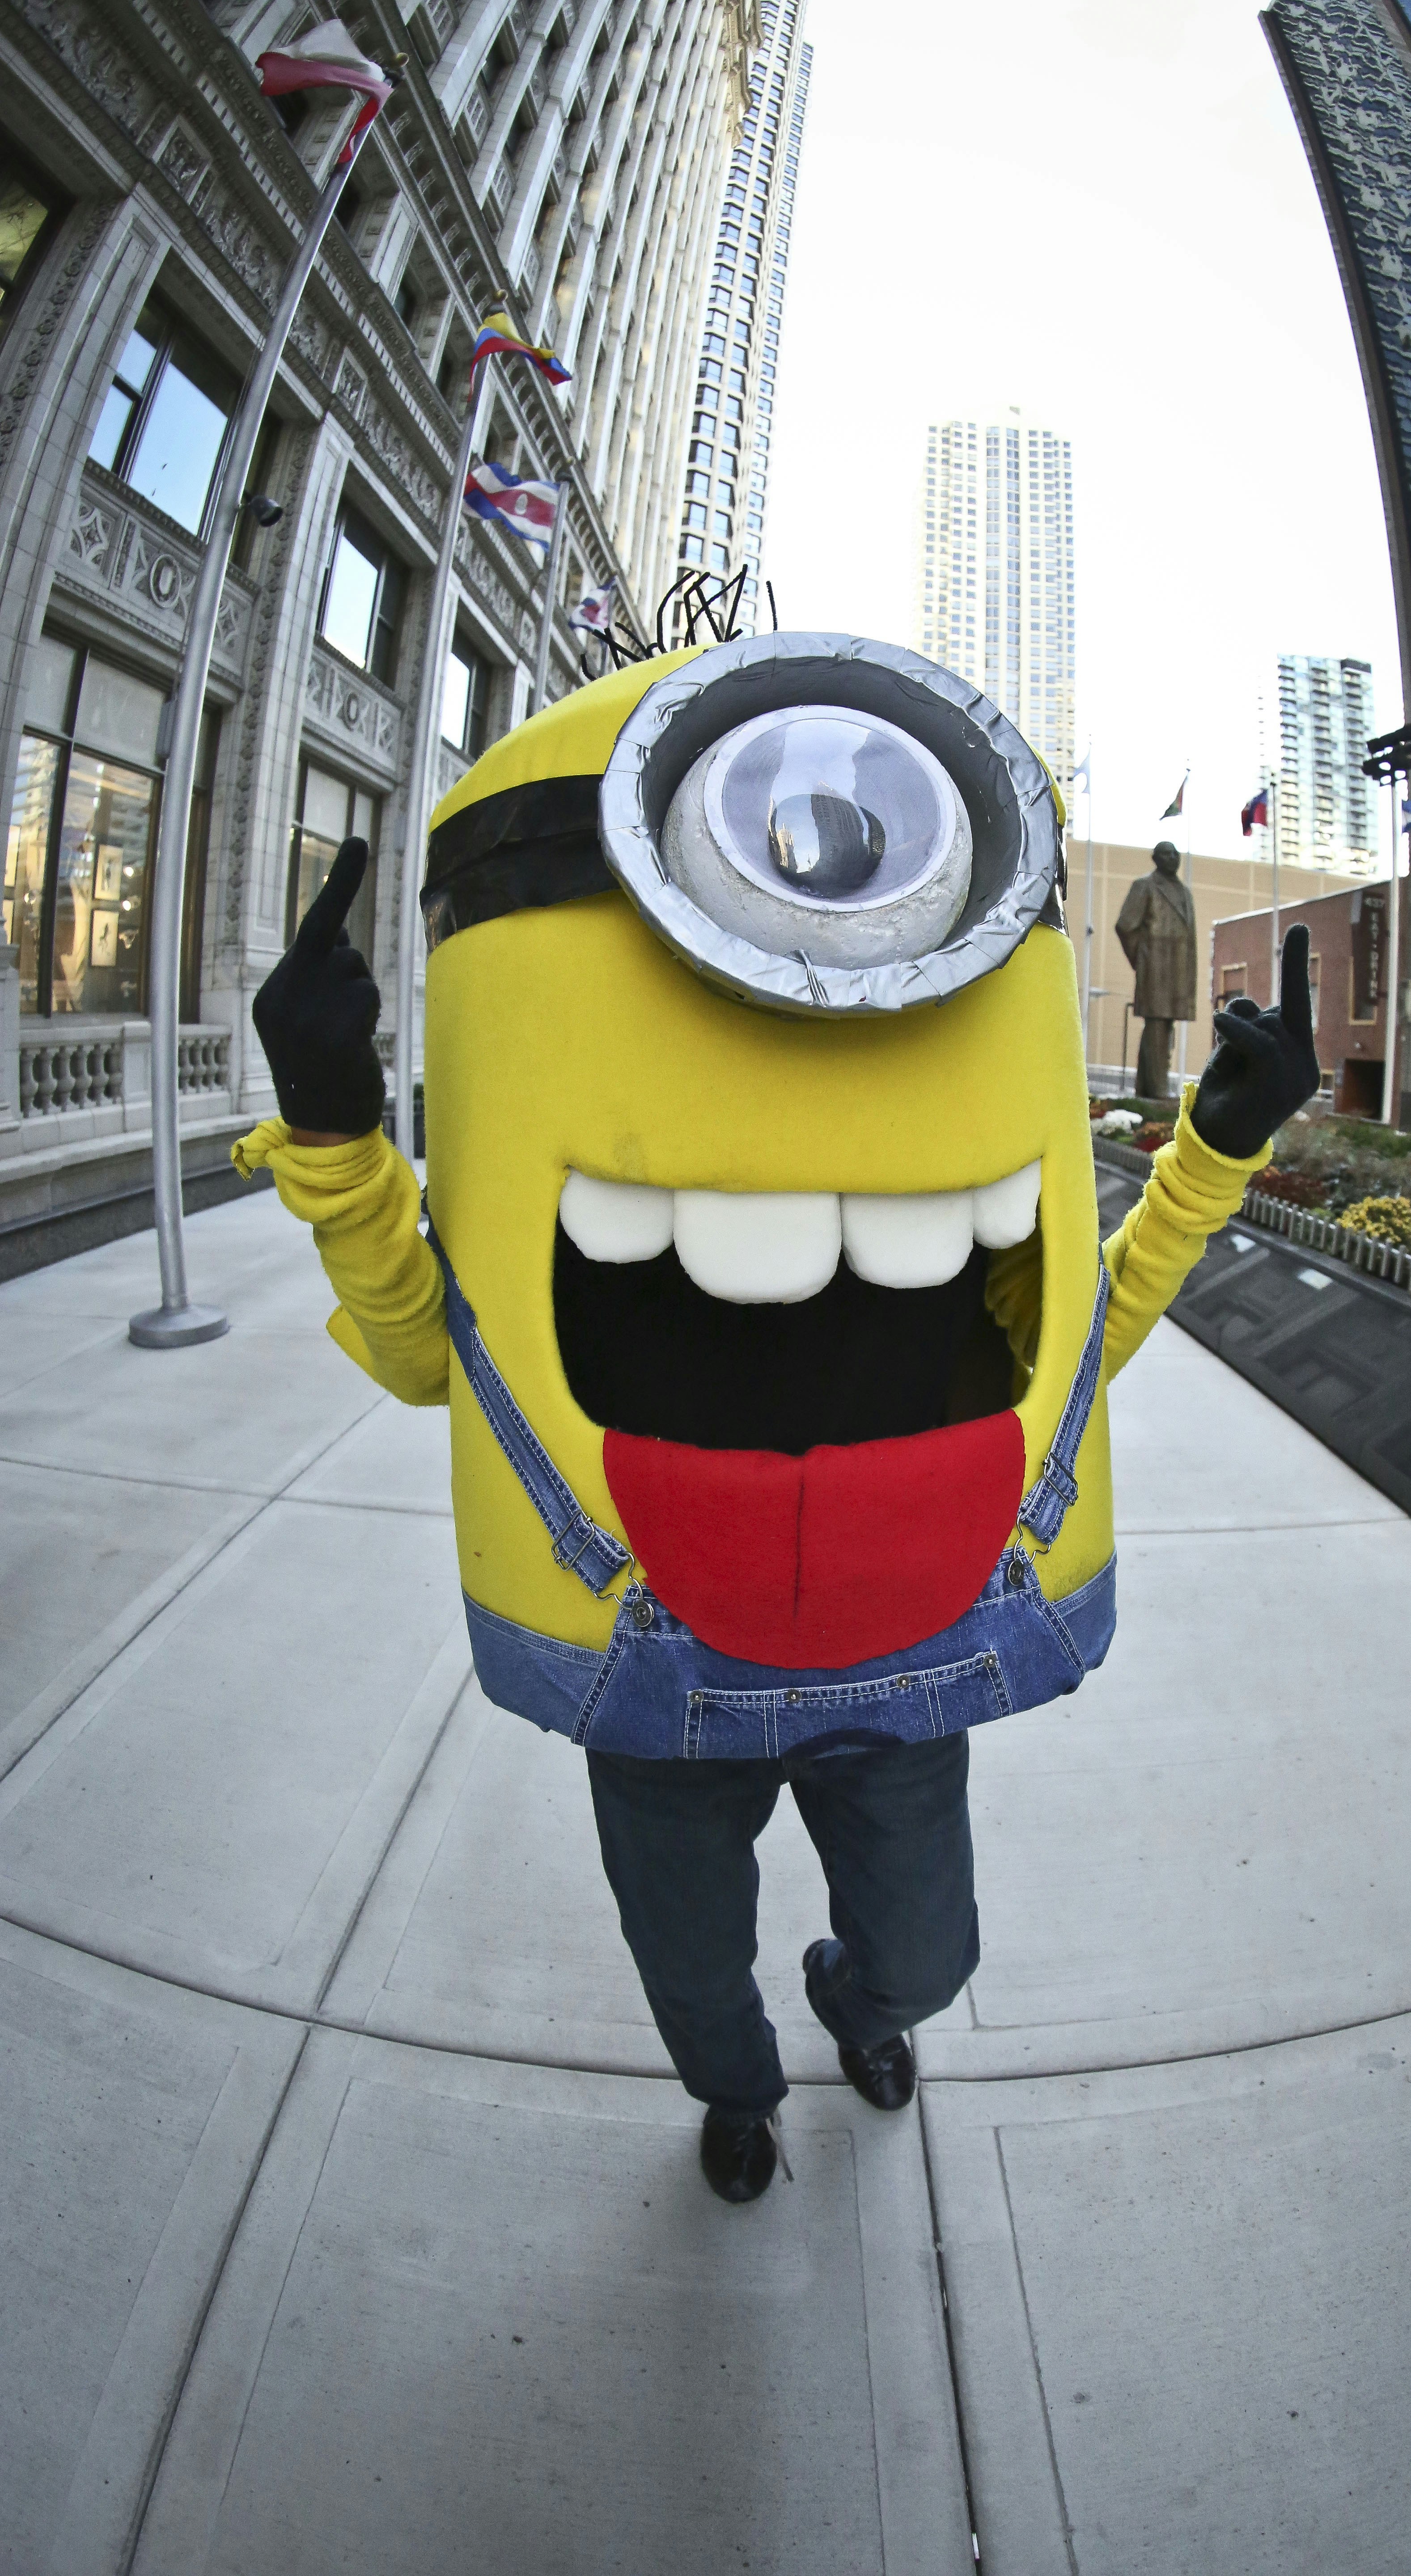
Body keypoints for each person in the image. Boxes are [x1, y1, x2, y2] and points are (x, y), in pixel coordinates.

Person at [241, 638, 1318, 2204]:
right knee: (687, 1967)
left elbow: (1088, 1333)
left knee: (931, 1953)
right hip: (656, 1672)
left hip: (911, 1667)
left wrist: (1216, 1145)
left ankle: (859, 2005)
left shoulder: (974, 1254)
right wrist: (337, 1131)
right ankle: (737, 2095)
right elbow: (437, 1354)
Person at [1114, 839, 1197, 1101]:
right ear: (1155, 858)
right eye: (1167, 853)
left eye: (1176, 853)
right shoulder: (1145, 887)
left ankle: (1147, 1087)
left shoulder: (1185, 893)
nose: (1173, 858)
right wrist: (1143, 961)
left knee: (1164, 1026)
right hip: (1155, 970)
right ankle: (1157, 1086)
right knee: (1157, 1025)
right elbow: (1126, 926)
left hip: (1177, 972)